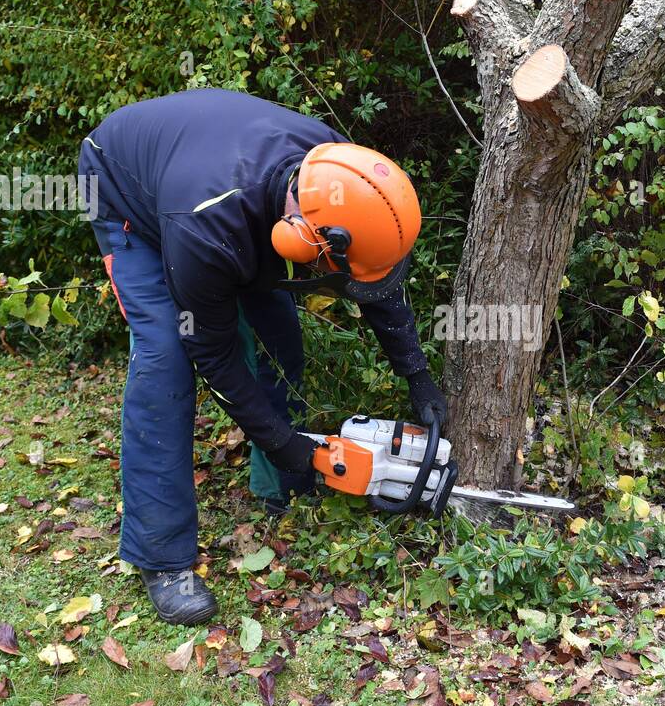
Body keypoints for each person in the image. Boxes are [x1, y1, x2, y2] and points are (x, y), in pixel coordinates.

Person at [77, 88, 447, 624]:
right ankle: (161, 555)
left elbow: (375, 282)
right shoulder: (207, 228)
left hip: (215, 185)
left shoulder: (342, 176)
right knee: (166, 360)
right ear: (300, 233)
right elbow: (212, 351)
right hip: (123, 186)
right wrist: (277, 439)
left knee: (280, 337)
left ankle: (284, 488)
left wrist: (418, 376)